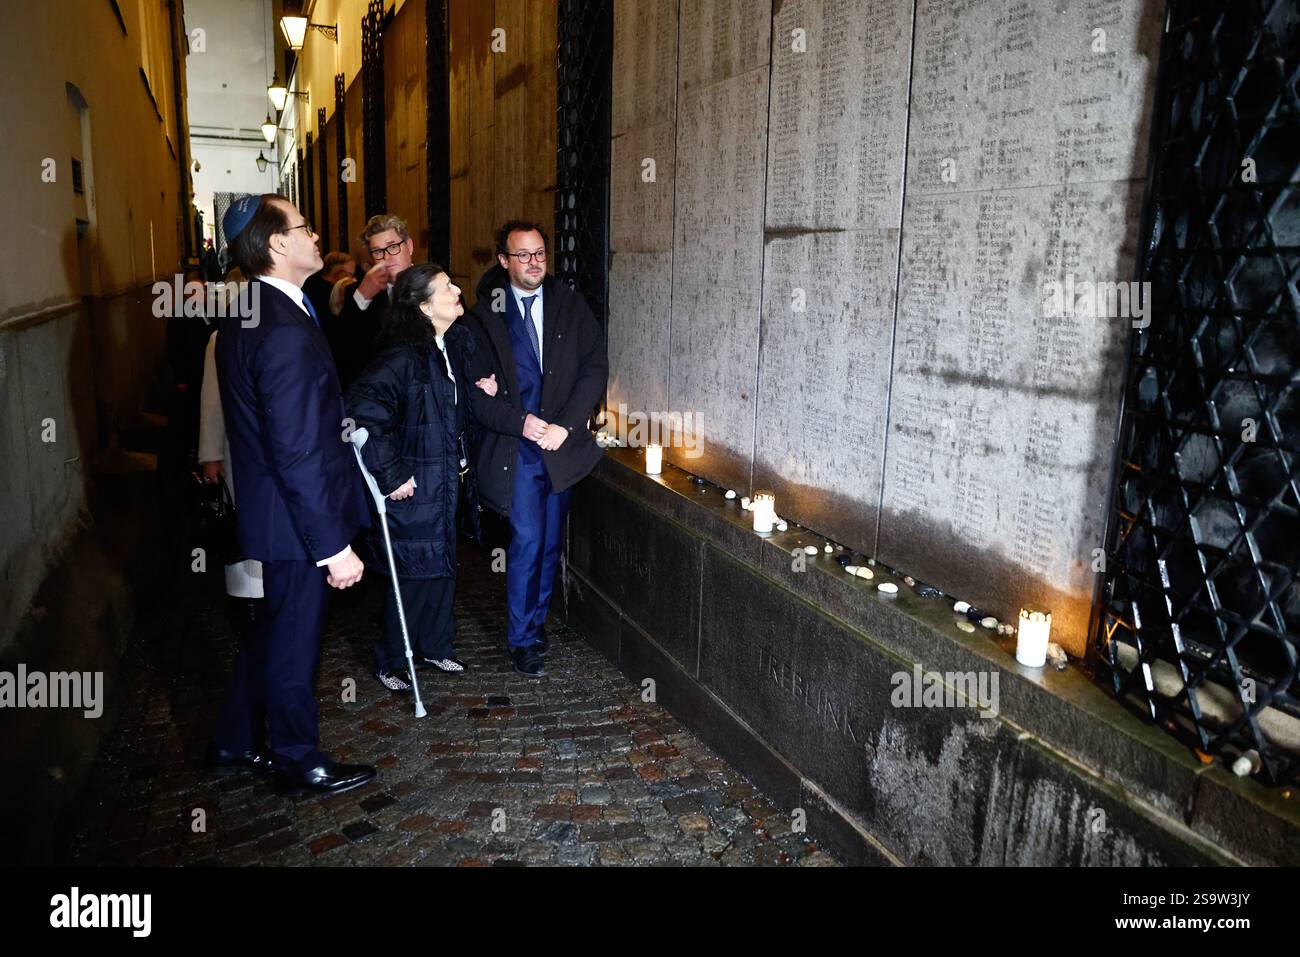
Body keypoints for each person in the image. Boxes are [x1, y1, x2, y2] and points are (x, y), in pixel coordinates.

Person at [206, 193, 375, 795]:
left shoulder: (253, 309)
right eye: (303, 227)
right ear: (277, 244)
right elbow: (296, 448)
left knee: (272, 630)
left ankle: (232, 738)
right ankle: (298, 758)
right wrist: (332, 546)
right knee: (294, 644)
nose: (314, 236)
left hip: (272, 513)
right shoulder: (277, 327)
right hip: (296, 522)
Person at [462, 220, 608, 678]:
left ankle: (537, 622)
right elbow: (476, 394)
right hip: (517, 450)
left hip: (561, 446)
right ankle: (522, 638)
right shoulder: (485, 315)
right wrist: (520, 421)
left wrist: (566, 427)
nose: (533, 263)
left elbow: (594, 366)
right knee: (525, 540)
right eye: (522, 255)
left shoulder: (569, 304)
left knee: (548, 543)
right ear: (503, 260)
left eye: (540, 253)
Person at [345, 263, 494, 691]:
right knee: (412, 574)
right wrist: (391, 475)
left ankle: (435, 647)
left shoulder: (451, 346)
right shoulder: (402, 359)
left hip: (447, 482)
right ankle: (392, 660)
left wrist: (477, 384)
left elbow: (450, 401)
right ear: (425, 306)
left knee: (443, 568)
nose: (457, 291)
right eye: (448, 288)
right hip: (415, 486)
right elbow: (361, 413)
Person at [198, 323, 265, 639]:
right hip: (241, 454)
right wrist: (210, 453)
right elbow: (212, 401)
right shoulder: (223, 338)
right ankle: (249, 611)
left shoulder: (297, 321)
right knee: (242, 527)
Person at [326, 213, 415, 388]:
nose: (386, 257)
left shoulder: (439, 286)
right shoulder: (358, 292)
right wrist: (362, 296)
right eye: (377, 251)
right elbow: (340, 352)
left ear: (409, 246)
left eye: (393, 247)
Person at [304, 250, 355, 322]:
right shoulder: (331, 295)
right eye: (350, 274)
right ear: (339, 273)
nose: (352, 279)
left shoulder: (310, 284)